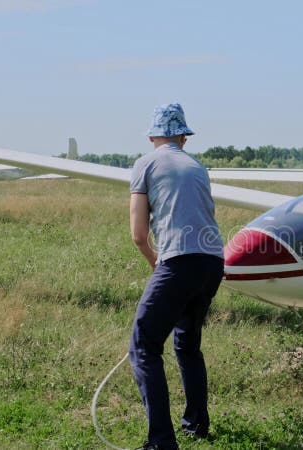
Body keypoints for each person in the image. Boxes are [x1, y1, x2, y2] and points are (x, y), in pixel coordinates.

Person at [128, 103, 225, 450]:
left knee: (143, 346)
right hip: (213, 262)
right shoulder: (197, 166)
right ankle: (196, 424)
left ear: (154, 135)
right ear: (183, 136)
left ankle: (161, 441)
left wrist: (156, 261)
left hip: (178, 261)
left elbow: (138, 233)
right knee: (187, 343)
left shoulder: (146, 164)